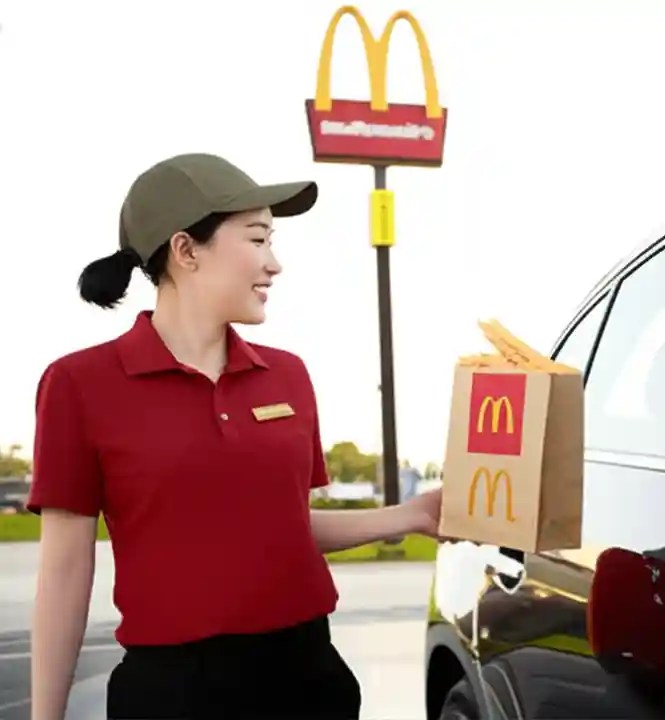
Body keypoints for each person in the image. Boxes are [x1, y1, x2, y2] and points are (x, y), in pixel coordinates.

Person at [26, 153, 443, 720]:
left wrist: (413, 515)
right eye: (257, 239)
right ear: (186, 250)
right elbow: (66, 570)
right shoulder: (79, 385)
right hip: (176, 693)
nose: (274, 264)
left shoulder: (288, 374)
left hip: (309, 678)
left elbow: (283, 527)